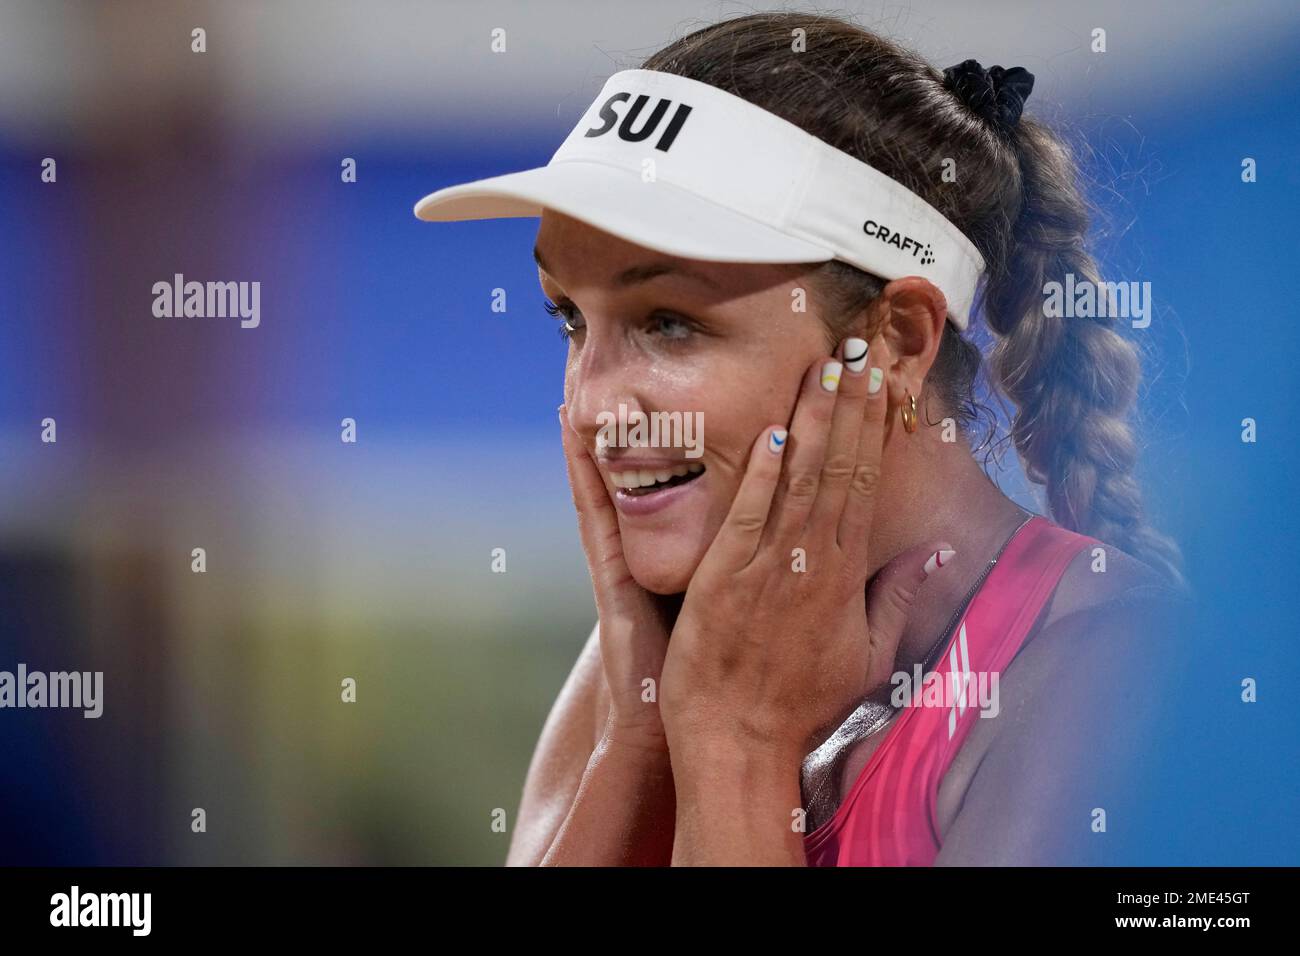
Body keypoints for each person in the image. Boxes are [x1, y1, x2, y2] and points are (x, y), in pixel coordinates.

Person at [413, 12, 1193, 865]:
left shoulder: (1112, 673)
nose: (593, 403)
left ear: (896, 341)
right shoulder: (649, 657)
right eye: (569, 318)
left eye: (668, 323)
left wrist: (734, 743)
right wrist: (641, 740)